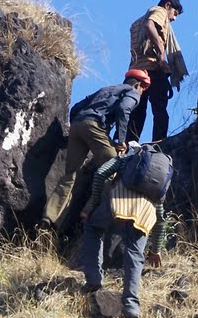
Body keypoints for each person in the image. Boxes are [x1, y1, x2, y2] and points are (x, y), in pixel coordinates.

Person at [42, 70, 151, 230]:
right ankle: (88, 213)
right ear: (138, 84)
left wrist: (79, 128)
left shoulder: (106, 89)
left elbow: (76, 107)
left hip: (78, 124)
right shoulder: (133, 92)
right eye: (143, 89)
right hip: (95, 126)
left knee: (70, 175)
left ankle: (49, 217)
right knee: (112, 168)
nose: (141, 92)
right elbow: (123, 109)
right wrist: (121, 141)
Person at [79, 146, 169, 318]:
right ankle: (131, 307)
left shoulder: (129, 158)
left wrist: (94, 204)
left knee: (93, 228)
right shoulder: (158, 179)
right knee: (135, 254)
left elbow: (100, 174)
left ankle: (94, 281)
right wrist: (156, 250)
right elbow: (161, 217)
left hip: (119, 201)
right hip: (145, 212)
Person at [127, 0, 187, 143]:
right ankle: (158, 144)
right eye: (175, 13)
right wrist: (161, 52)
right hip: (152, 70)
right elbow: (149, 25)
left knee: (136, 112)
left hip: (134, 73)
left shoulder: (135, 24)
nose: (174, 19)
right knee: (160, 110)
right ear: (167, 6)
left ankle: (128, 146)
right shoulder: (159, 11)